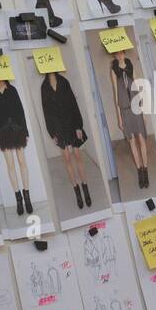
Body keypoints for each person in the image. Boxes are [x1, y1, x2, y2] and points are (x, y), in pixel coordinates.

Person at [39, 70, 92, 210]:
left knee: (78, 156)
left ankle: (85, 189)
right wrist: (52, 132)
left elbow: (74, 104)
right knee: (67, 158)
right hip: (58, 127)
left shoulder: (64, 82)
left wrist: (79, 126)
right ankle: (77, 193)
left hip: (71, 123)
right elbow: (46, 112)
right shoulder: (44, 87)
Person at [0, 79, 32, 216]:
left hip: (17, 128)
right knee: (10, 165)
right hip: (3, 131)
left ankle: (27, 197)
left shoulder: (12, 89)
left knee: (22, 162)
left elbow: (20, 110)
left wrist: (25, 131)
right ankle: (18, 199)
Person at [109, 49, 151, 190]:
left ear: (124, 53)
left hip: (136, 106)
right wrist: (119, 116)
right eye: (117, 53)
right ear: (114, 55)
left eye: (121, 53)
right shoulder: (113, 69)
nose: (119, 55)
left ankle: (145, 170)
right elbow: (115, 93)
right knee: (132, 140)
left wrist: (144, 110)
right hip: (125, 109)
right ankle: (139, 171)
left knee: (141, 139)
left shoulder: (130, 64)